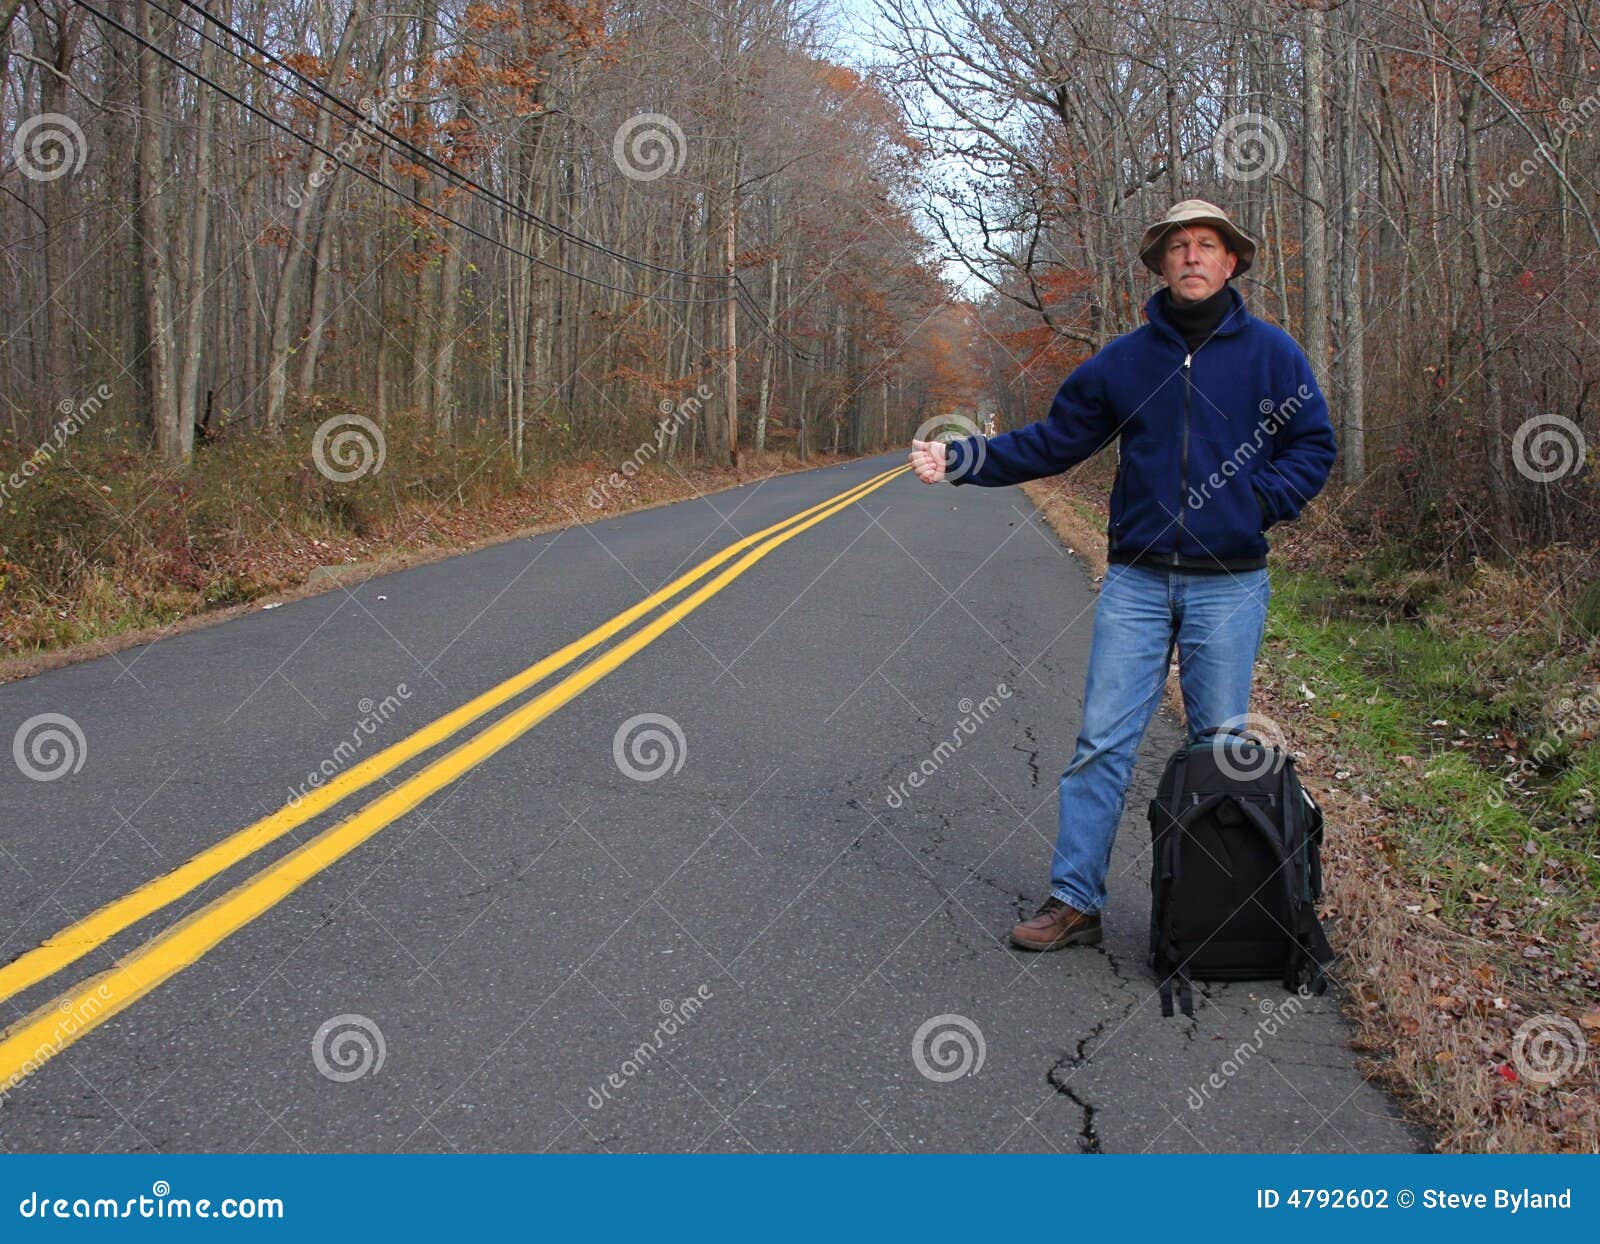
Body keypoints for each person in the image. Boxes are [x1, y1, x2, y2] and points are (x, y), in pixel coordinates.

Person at [908, 199, 1337, 951]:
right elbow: (1053, 442)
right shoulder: (1126, 361)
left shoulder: (1272, 355)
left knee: (1217, 751)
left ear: (1231, 262)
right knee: (1102, 744)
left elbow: (1313, 446)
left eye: (1208, 246)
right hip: (1139, 581)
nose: (1194, 257)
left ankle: (1214, 914)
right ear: (1161, 265)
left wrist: (1255, 503)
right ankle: (1075, 902)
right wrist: (963, 459)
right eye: (1179, 247)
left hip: (1229, 582)